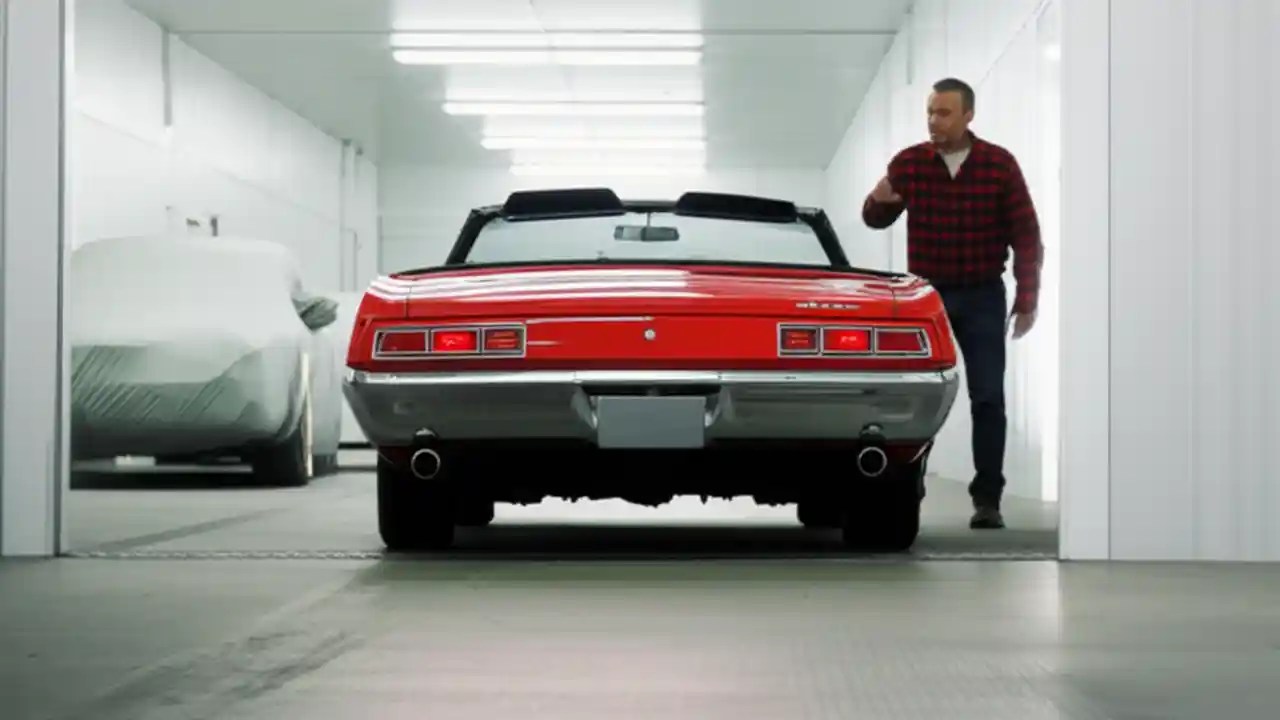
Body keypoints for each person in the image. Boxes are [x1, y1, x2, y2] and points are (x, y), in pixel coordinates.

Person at [861, 77, 1043, 530]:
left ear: (968, 116)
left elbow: (1026, 235)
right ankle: (906, 484)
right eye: (930, 112)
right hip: (927, 298)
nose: (933, 121)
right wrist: (877, 201)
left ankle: (987, 500)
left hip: (982, 295)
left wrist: (1027, 299)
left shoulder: (999, 165)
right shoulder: (909, 163)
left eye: (943, 113)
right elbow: (874, 218)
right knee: (915, 397)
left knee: (988, 398)